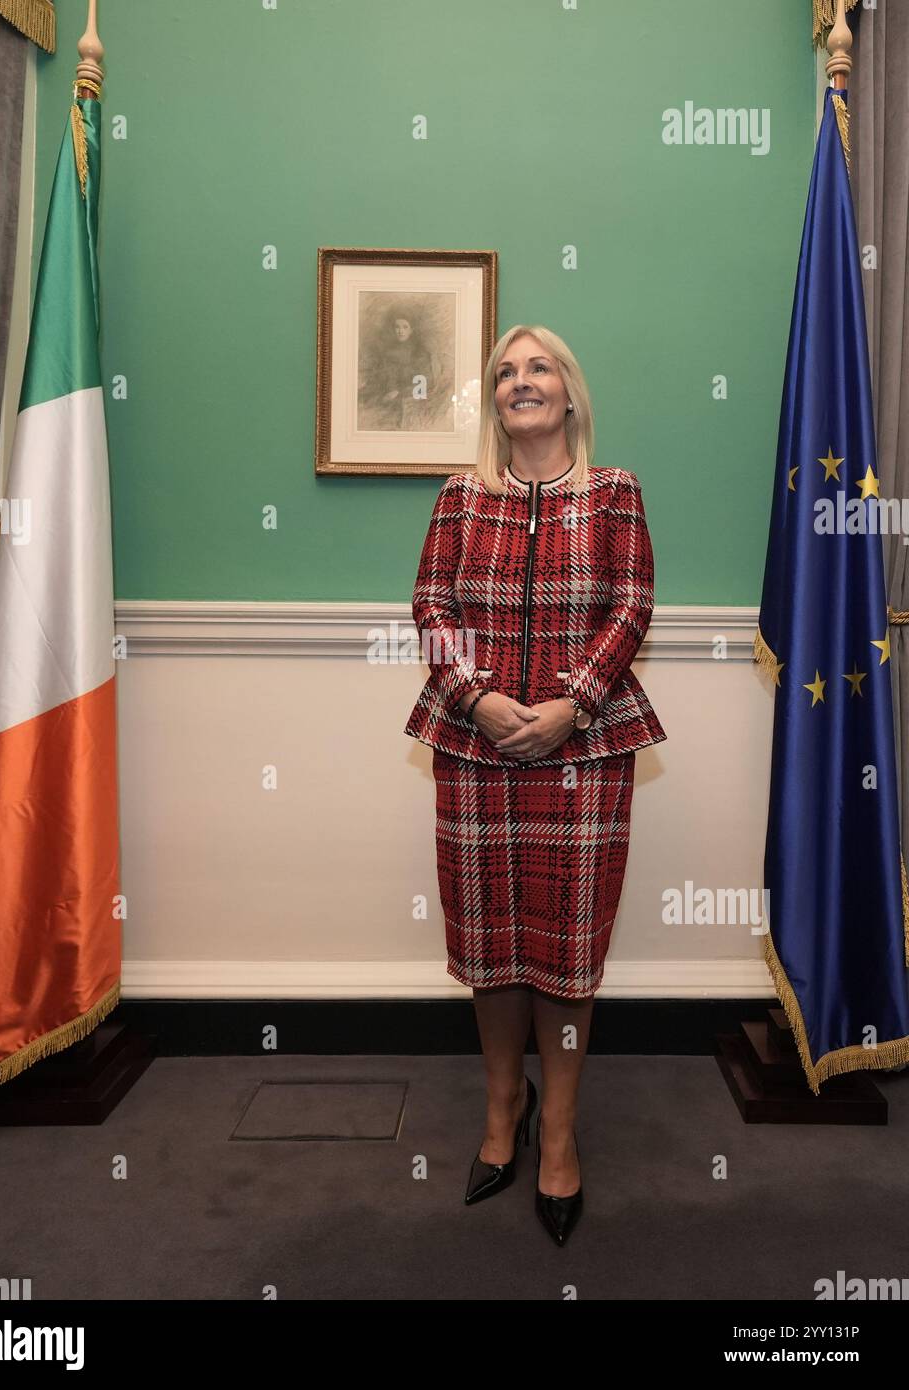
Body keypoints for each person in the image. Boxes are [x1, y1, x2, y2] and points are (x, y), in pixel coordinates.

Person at [404, 324, 666, 1245]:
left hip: (587, 751)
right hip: (474, 750)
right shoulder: (457, 497)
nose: (523, 381)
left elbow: (632, 603)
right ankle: (499, 1114)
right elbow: (430, 607)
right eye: (506, 372)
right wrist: (475, 700)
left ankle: (558, 1134)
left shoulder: (615, 493)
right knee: (489, 945)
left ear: (569, 394)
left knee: (566, 950)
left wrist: (571, 706)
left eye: (539, 366)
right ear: (494, 401)